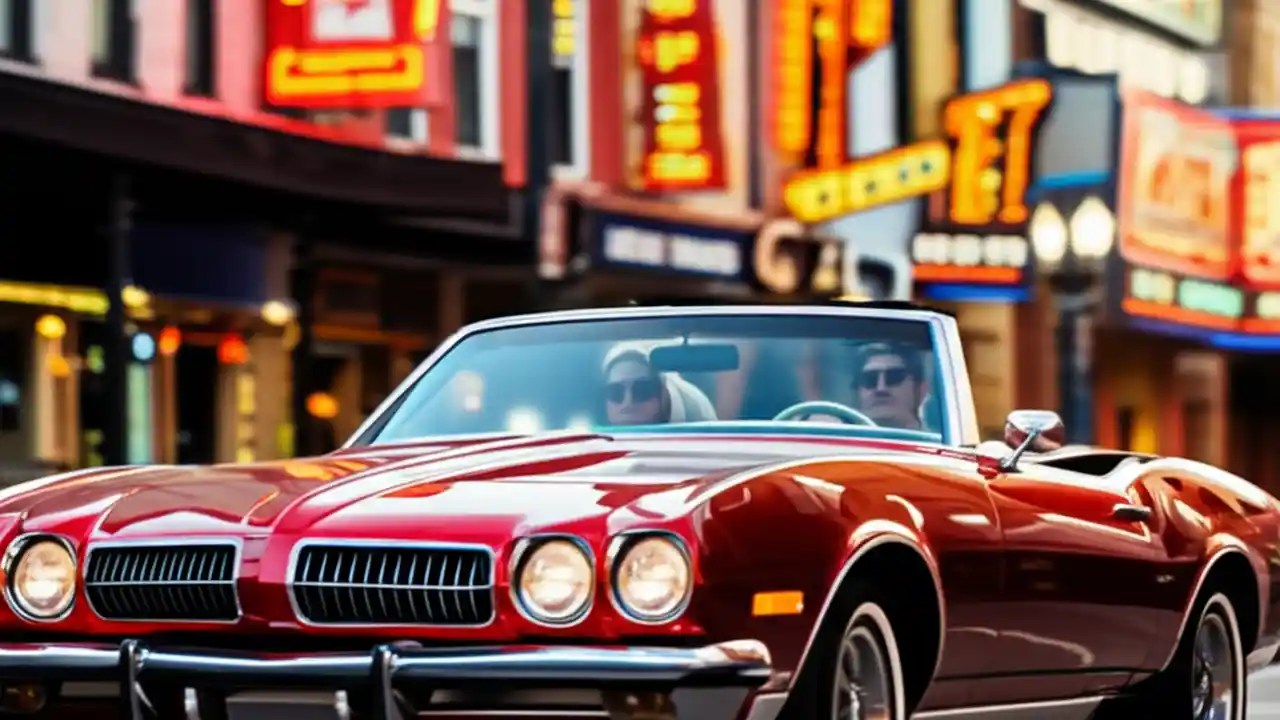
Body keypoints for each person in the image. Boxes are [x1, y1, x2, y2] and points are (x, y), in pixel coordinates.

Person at [601, 343, 717, 426]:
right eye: (616, 392)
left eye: (642, 391)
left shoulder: (697, 414)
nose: (627, 403)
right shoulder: (588, 434)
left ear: (663, 392)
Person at [851, 341, 929, 430]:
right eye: (870, 379)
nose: (880, 388)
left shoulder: (940, 442)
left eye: (894, 377)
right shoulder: (837, 440)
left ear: (920, 389)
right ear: (857, 392)